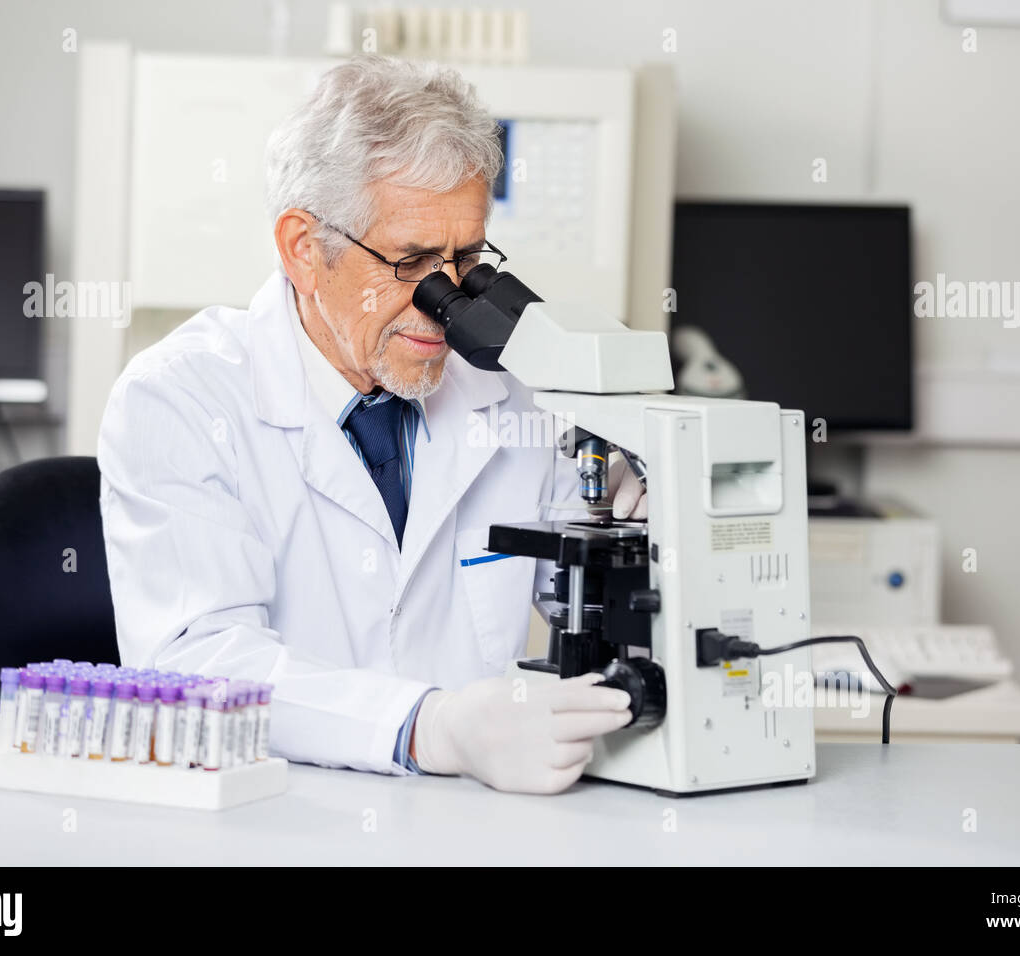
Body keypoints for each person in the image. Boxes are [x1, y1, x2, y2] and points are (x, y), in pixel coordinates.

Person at [97, 55, 646, 795]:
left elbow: (588, 584)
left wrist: (648, 497)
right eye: (412, 260)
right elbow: (199, 660)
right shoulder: (184, 399)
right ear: (303, 248)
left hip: (472, 825)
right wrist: (431, 725)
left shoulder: (516, 396)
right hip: (273, 821)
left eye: (468, 259)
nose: (444, 297)